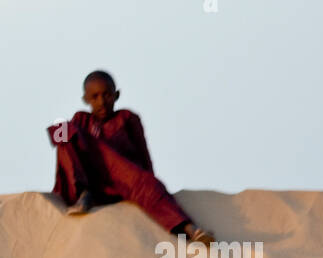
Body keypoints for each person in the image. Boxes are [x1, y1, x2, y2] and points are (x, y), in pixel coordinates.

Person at [49, 70, 215, 243]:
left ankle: (190, 229)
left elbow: (144, 157)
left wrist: (150, 182)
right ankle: (83, 193)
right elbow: (62, 144)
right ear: (86, 100)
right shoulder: (81, 120)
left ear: (116, 95)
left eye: (107, 95)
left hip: (126, 181)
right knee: (62, 130)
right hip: (90, 184)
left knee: (148, 184)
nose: (101, 102)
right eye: (95, 96)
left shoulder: (127, 118)